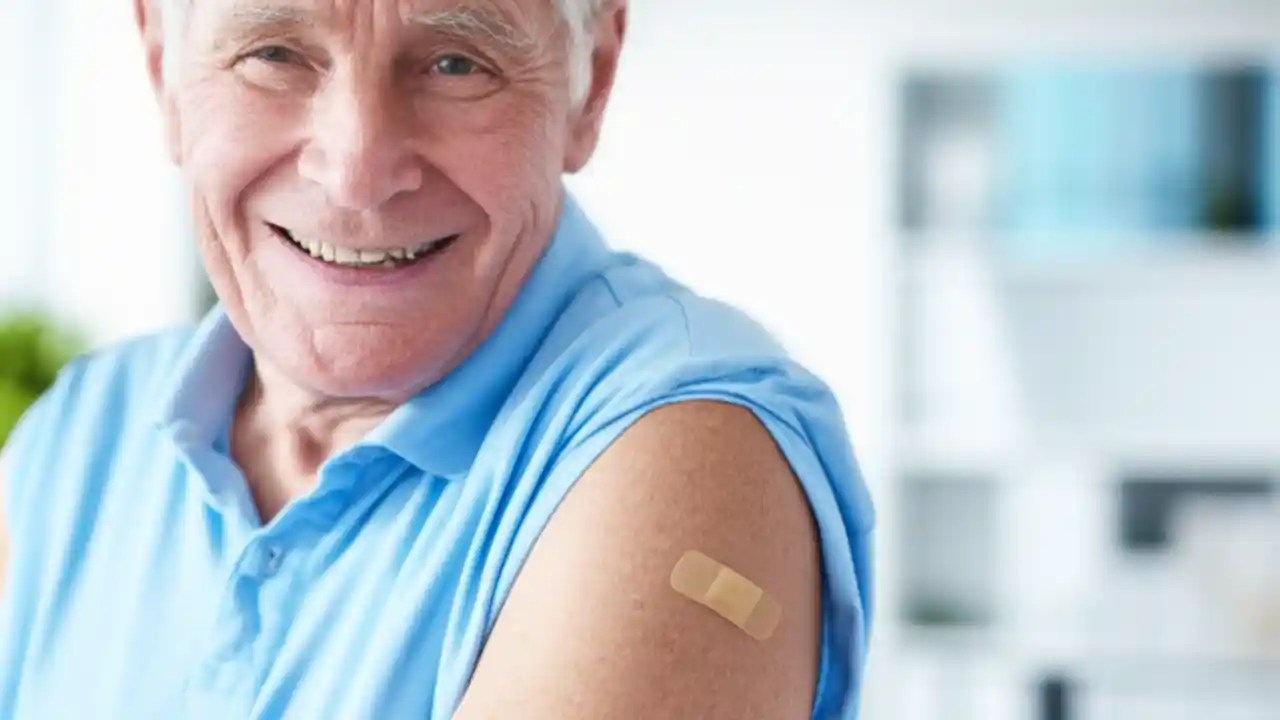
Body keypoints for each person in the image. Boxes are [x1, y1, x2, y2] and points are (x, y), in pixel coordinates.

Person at [0, 0, 874, 717]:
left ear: (591, 81)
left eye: (457, 63)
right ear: (162, 64)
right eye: (273, 54)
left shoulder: (688, 454)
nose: (356, 171)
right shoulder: (76, 440)